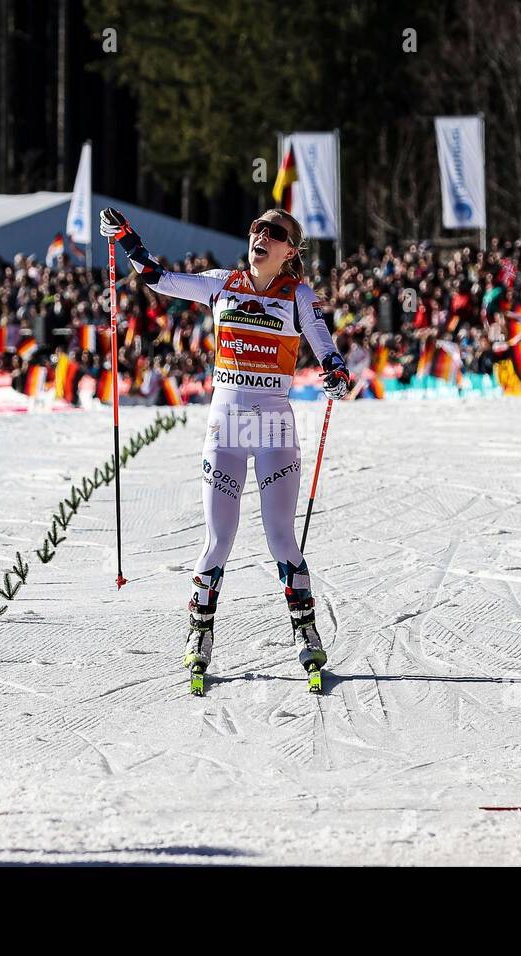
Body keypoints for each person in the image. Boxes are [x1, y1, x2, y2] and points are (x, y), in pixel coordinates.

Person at [99, 205, 352, 679]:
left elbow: (324, 345)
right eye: (257, 226)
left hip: (275, 425)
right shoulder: (221, 283)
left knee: (281, 539)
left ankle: (305, 632)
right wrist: (127, 237)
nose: (261, 234)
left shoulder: (297, 294)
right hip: (227, 426)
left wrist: (335, 373)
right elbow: (157, 277)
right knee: (218, 541)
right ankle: (200, 634)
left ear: (290, 251)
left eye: (274, 232)